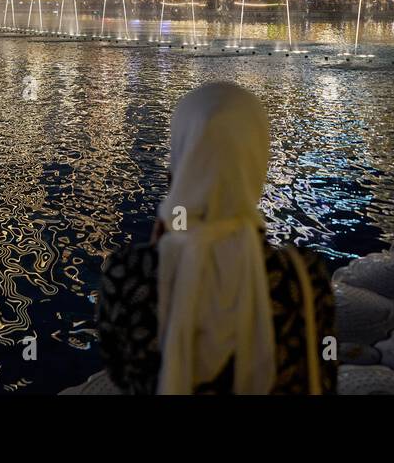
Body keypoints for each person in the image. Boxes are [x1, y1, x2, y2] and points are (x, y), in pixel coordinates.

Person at [96, 82, 336, 394]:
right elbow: (324, 380)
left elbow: (121, 374)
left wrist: (166, 235)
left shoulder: (128, 274)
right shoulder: (304, 276)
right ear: (255, 164)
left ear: (181, 159)